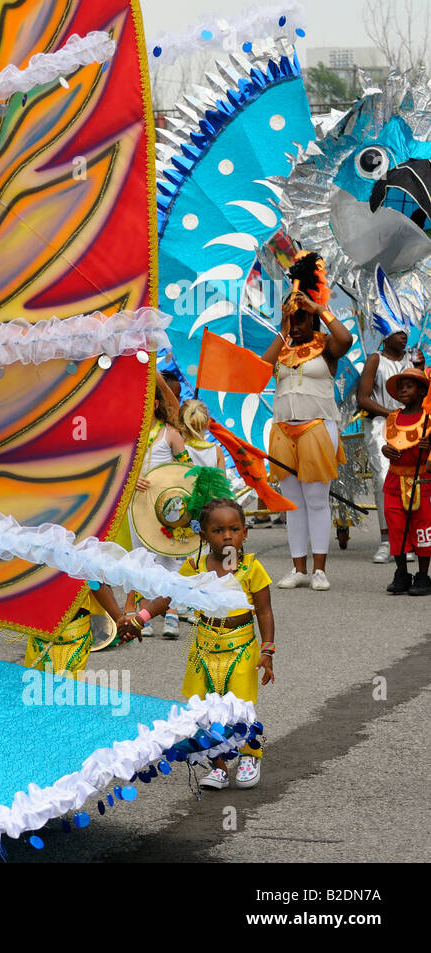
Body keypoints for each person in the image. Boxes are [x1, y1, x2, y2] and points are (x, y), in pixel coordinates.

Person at [122, 498, 275, 790]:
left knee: (239, 707)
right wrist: (140, 618)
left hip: (241, 647)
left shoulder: (251, 568)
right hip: (204, 648)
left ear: (245, 532)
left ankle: (248, 755)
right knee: (205, 709)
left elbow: (265, 611)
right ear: (203, 536)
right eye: (218, 530)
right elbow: (167, 596)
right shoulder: (194, 566)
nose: (227, 536)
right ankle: (217, 765)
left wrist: (267, 650)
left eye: (234, 529)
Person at [260, 252, 352, 591]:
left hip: (317, 427)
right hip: (284, 429)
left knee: (316, 500)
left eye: (301, 319)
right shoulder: (282, 348)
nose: (297, 324)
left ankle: (319, 570)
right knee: (292, 503)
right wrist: (283, 330)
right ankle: (298, 568)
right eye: (293, 319)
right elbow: (259, 373)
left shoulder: (326, 345)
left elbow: (347, 340)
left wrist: (317, 309)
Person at [124, 375, 188, 637]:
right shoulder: (129, 435)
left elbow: (187, 471)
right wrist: (130, 478)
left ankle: (171, 612)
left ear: (156, 404)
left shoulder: (170, 434)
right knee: (143, 559)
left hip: (167, 506)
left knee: (169, 557)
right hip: (137, 504)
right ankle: (144, 614)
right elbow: (120, 468)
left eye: (147, 401)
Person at [356, 329, 413, 564]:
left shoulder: (412, 358)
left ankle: (406, 540)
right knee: (383, 480)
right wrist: (392, 414)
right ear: (385, 336)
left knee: (409, 479)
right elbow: (363, 398)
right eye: (397, 332)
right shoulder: (375, 360)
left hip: (410, 425)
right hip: (381, 425)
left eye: (405, 331)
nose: (404, 336)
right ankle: (386, 540)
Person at [380, 368, 431, 596]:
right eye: (400, 386)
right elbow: (390, 444)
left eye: (408, 386)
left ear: (422, 392)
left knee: (423, 529)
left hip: (422, 480)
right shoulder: (392, 419)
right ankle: (402, 573)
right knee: (396, 529)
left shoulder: (429, 420)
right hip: (394, 481)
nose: (403, 390)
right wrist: (384, 449)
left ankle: (422, 575)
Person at [22, 585, 132, 678]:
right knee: (62, 694)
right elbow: (96, 583)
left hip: (49, 626)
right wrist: (119, 618)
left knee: (35, 690)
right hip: (60, 628)